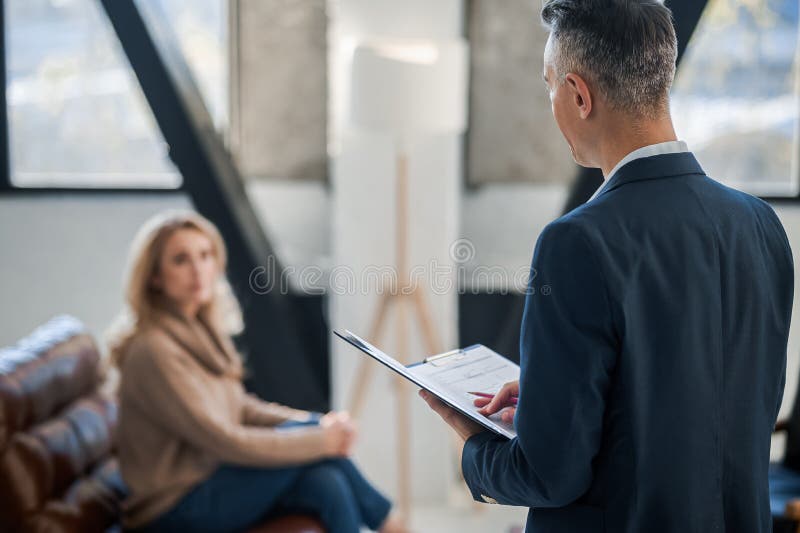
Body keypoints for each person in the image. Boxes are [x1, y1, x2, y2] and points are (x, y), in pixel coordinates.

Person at [420, 1, 794, 532]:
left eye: (549, 85)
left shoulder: (576, 242)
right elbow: (711, 397)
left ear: (578, 94)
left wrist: (473, 443)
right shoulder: (761, 226)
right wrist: (556, 387)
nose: (552, 104)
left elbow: (548, 475)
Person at [109, 210, 407, 533]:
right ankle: (393, 525)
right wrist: (321, 439)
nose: (198, 270)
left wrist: (314, 424)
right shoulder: (154, 350)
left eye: (205, 255)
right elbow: (224, 440)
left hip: (212, 478)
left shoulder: (197, 329)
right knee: (326, 456)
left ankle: (391, 524)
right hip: (174, 505)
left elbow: (240, 407)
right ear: (154, 276)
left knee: (327, 483)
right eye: (180, 260)